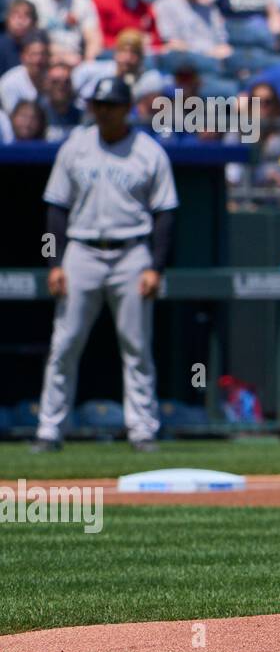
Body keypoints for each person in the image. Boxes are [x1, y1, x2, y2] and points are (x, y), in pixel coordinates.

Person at [32, 76, 177, 454]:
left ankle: (142, 429)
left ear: (126, 108)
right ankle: (50, 429)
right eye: (99, 105)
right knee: (64, 343)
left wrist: (155, 267)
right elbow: (56, 208)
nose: (104, 111)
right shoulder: (75, 146)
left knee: (137, 345)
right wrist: (54, 261)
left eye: (111, 105)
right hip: (81, 250)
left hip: (132, 251)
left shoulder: (149, 151)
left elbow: (165, 214)